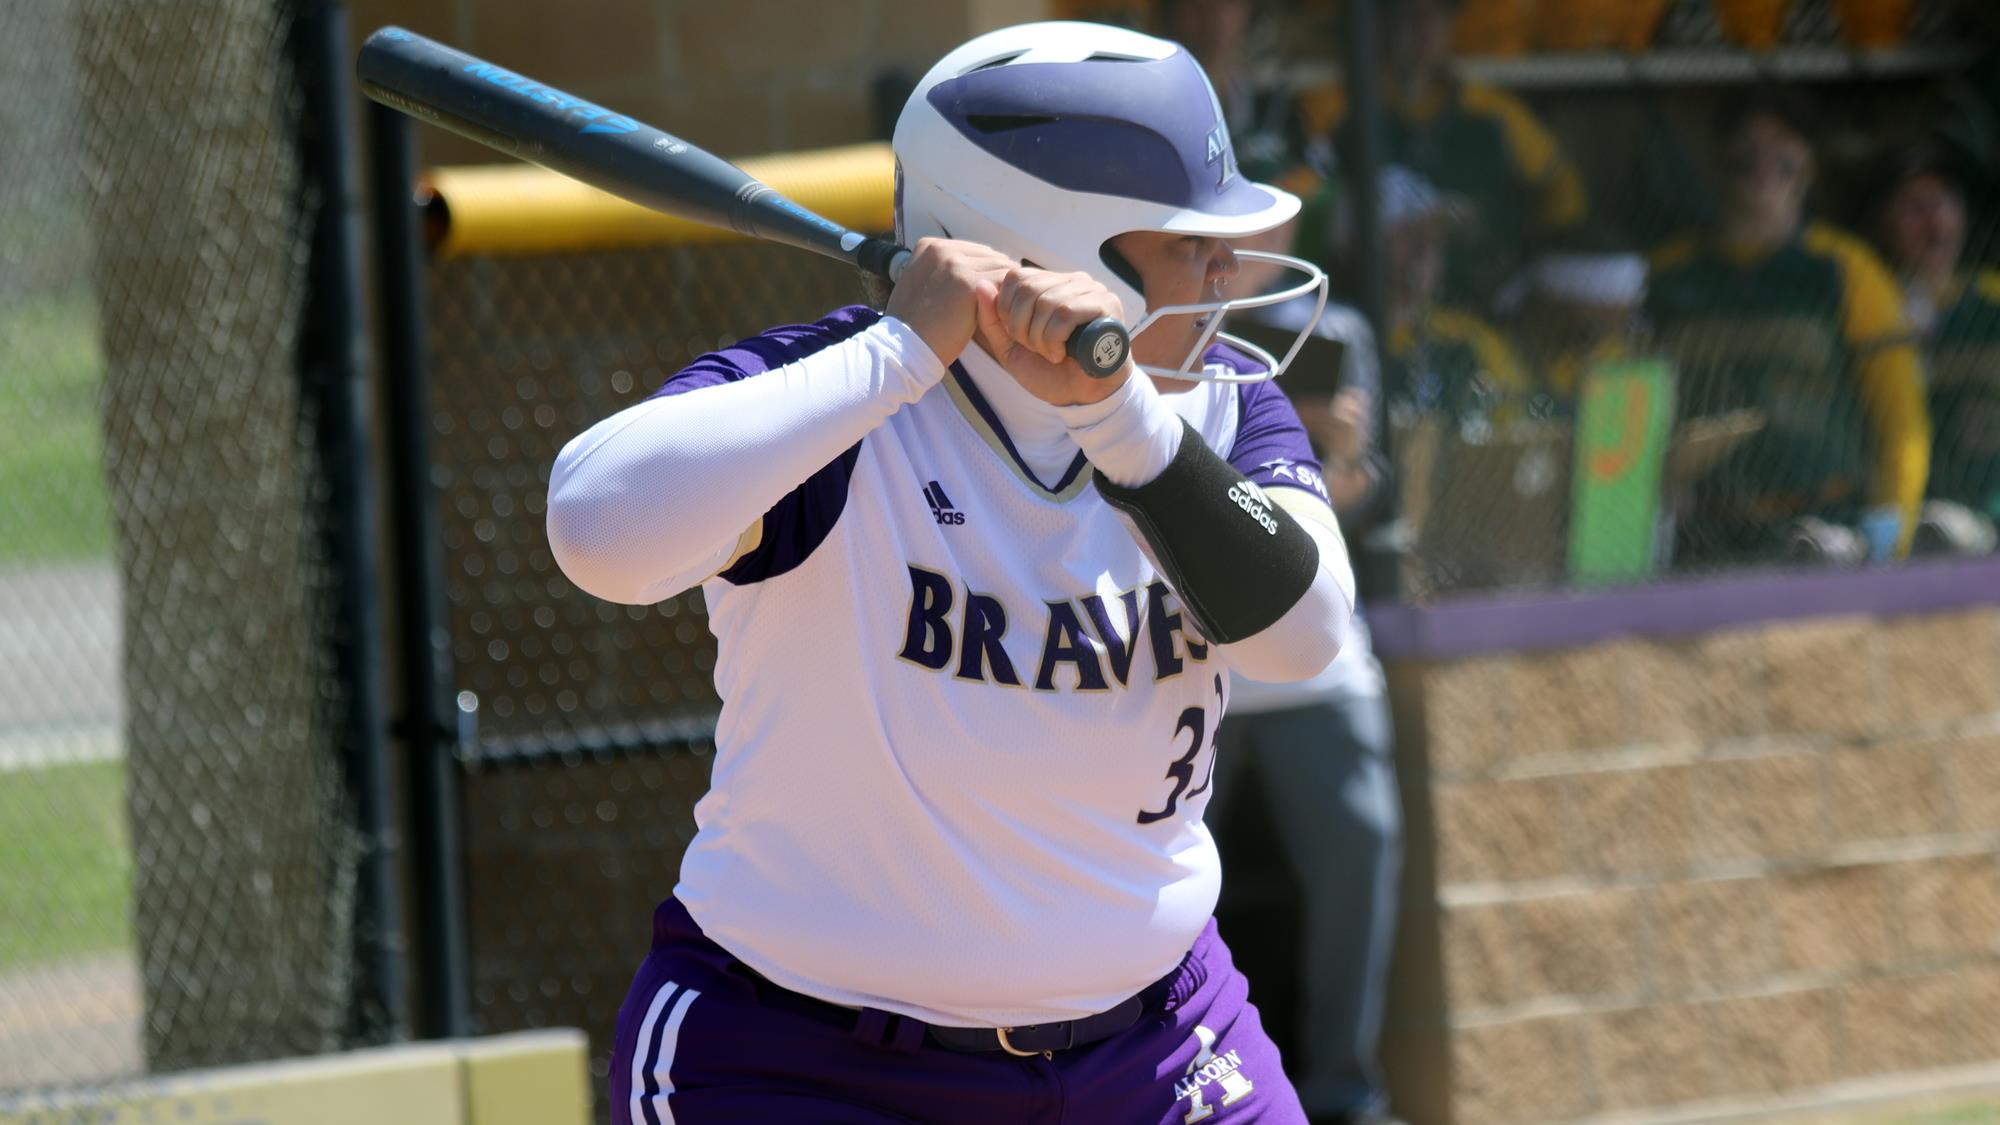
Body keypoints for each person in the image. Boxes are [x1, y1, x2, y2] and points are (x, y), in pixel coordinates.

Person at [548, 22, 1355, 1125]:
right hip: (809, 1055)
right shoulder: (835, 397)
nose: (1225, 272)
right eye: (1182, 241)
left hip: (1159, 1039)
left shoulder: (1211, 408)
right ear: (1056, 247)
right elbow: (594, 531)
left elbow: (1304, 635)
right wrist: (898, 354)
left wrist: (1116, 416)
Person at [1211, 288, 1405, 1125]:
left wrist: (1339, 453)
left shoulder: (1340, 326)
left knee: (1364, 837)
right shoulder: (1151, 323)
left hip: (1316, 667)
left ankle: (1344, 1095)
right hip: (1185, 663)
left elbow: (1360, 500)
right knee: (1149, 879)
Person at [1648, 91, 1930, 568]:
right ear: (1717, 159)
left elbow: (1900, 417)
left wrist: (1891, 529)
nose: (1765, 159)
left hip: (1821, 526)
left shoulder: (1848, 270)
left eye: (1785, 145)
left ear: (1810, 165)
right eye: (1748, 144)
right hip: (1700, 531)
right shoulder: (1665, 274)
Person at [1331, 0, 1588, 307]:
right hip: (1379, 300)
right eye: (1412, 17)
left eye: (1438, 17)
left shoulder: (1490, 110)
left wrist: (1517, 246)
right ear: (1384, 24)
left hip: (1480, 299)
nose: (1425, 30)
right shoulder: (1347, 106)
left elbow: (1565, 192)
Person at [1859, 143, 2000, 553]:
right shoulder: (1869, 310)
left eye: (1944, 203)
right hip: (1902, 516)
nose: (1933, 220)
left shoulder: (1992, 302)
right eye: (1914, 207)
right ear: (1884, 222)